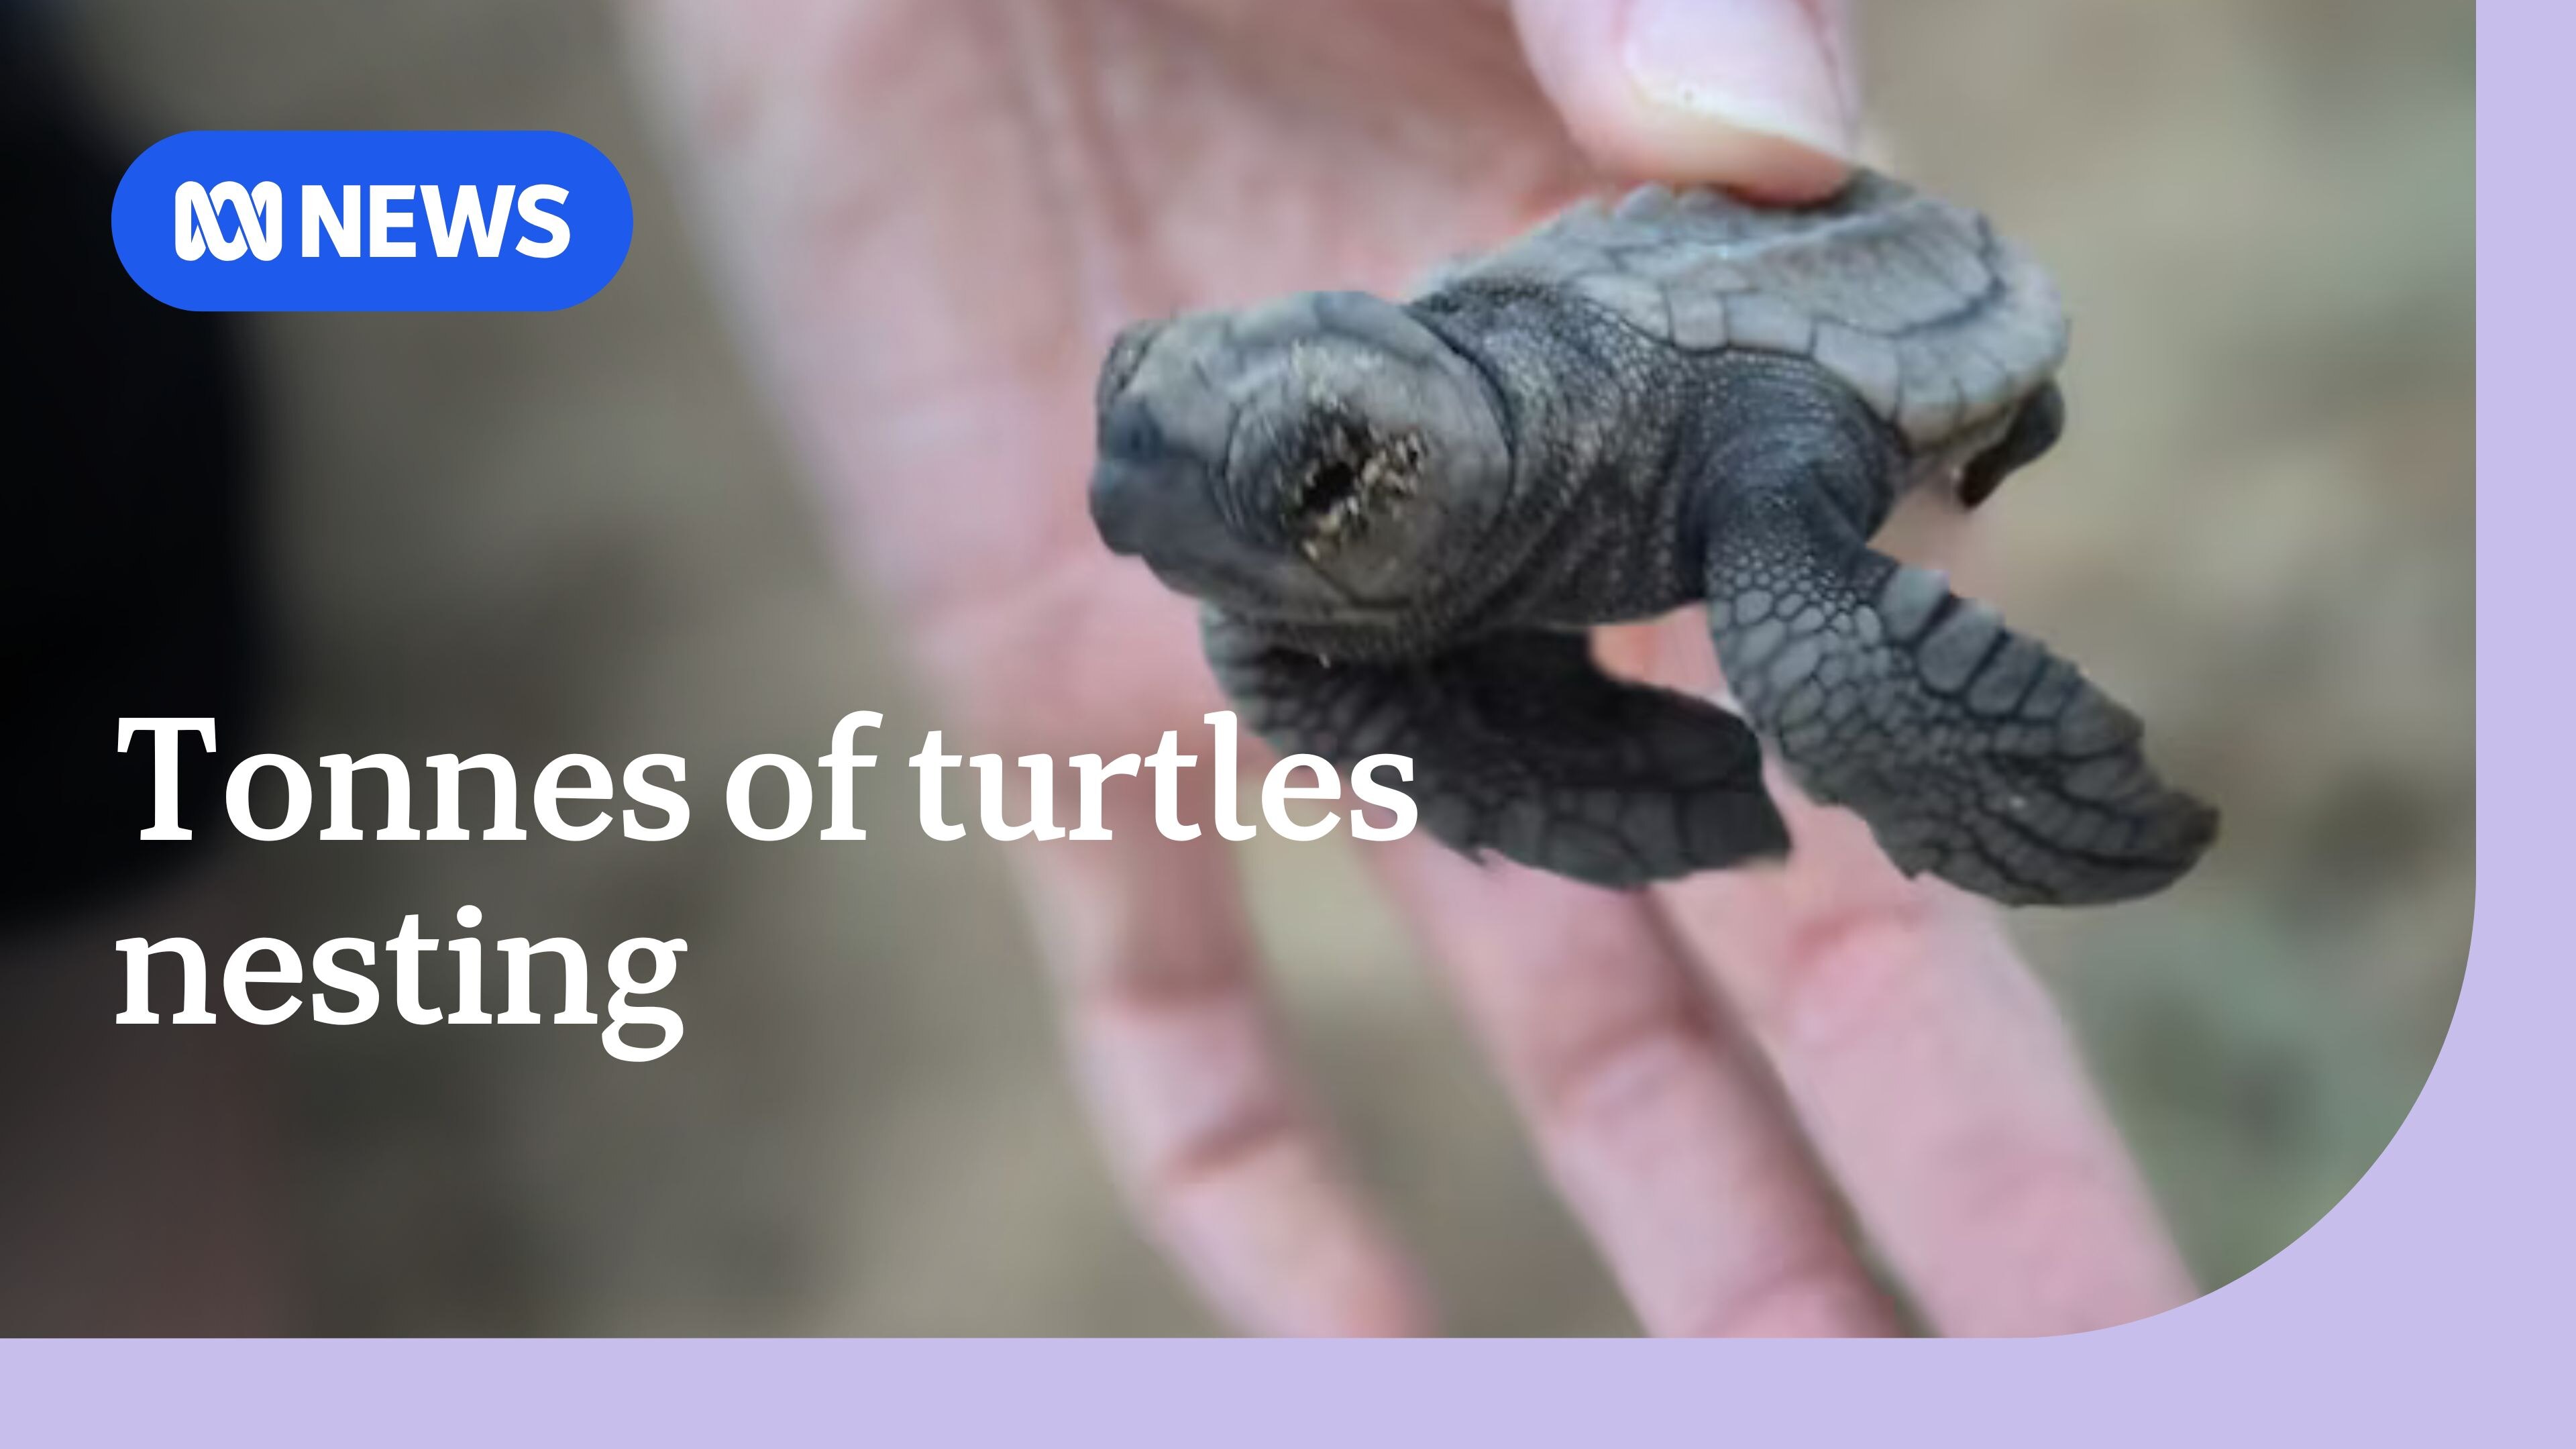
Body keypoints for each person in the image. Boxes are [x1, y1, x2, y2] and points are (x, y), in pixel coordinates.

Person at [632, 0, 2195, 1336]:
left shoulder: (1711, 443)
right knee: (1299, 661)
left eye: (1318, 487)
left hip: (1822, 341)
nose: (1254, 588)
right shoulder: (1292, 611)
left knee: (1841, 623)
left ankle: (2035, 746)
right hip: (1513, 412)